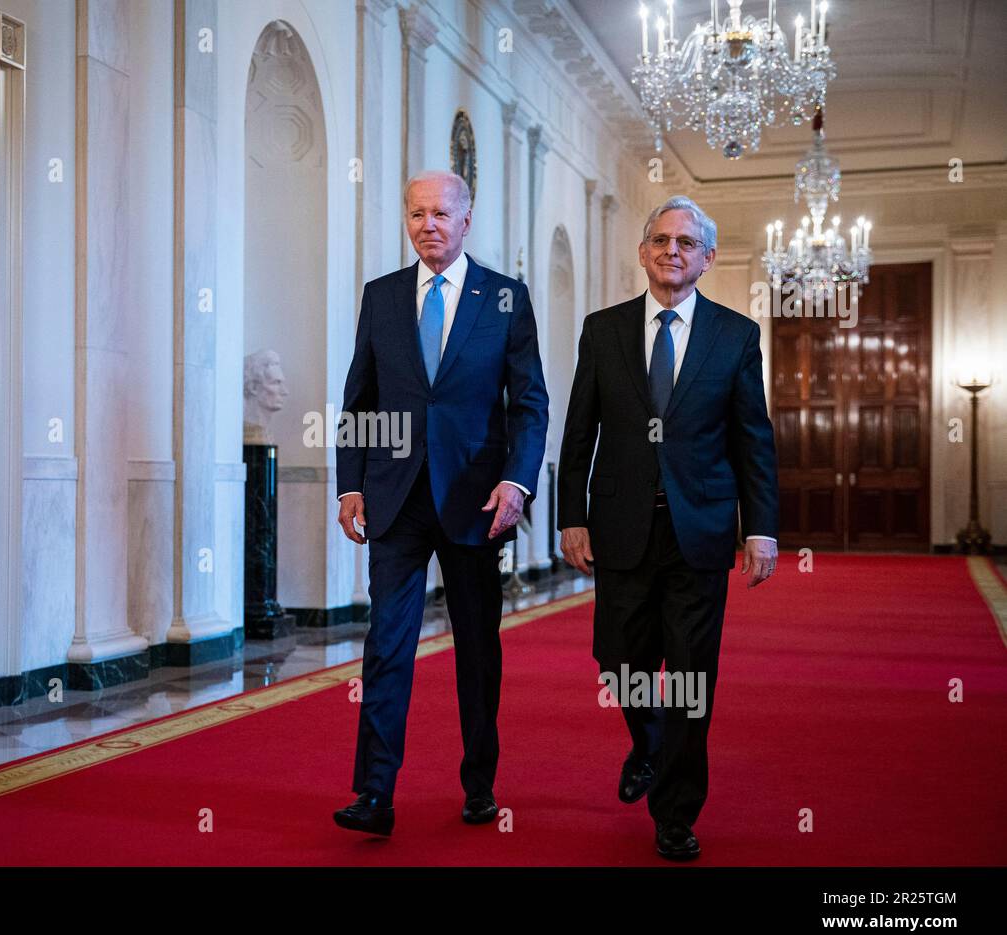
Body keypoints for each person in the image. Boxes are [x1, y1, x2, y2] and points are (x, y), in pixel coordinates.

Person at [556, 195, 778, 861]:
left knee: (688, 675)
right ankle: (648, 741)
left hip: (700, 533)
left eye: (685, 242)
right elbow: (578, 434)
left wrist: (761, 527)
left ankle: (676, 813)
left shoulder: (735, 337)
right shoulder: (602, 330)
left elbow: (752, 439)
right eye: (659, 239)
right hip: (620, 528)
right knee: (619, 665)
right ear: (644, 251)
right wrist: (570, 517)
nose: (671, 250)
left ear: (707, 259)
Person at [333, 170, 548, 836]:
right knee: (386, 646)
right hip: (395, 500)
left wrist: (517, 481)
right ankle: (374, 794)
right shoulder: (383, 296)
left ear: (466, 220)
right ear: (408, 220)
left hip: (476, 501)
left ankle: (479, 783)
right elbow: (360, 400)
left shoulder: (506, 298)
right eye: (418, 213)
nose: (429, 224)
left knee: (477, 649)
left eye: (441, 214)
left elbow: (530, 402)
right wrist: (349, 483)